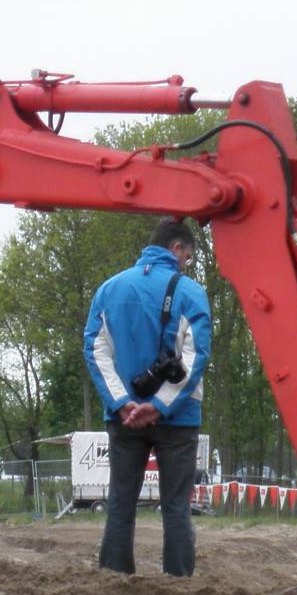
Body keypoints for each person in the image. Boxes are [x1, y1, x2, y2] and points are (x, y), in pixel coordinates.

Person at [83, 217, 212, 576]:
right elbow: (195, 355)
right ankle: (179, 580)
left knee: (121, 503)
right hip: (179, 418)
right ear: (176, 249)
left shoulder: (108, 289)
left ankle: (114, 576)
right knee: (175, 506)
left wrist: (122, 402)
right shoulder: (191, 292)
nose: (186, 264)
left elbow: (96, 351)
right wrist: (158, 407)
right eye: (187, 257)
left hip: (123, 419)